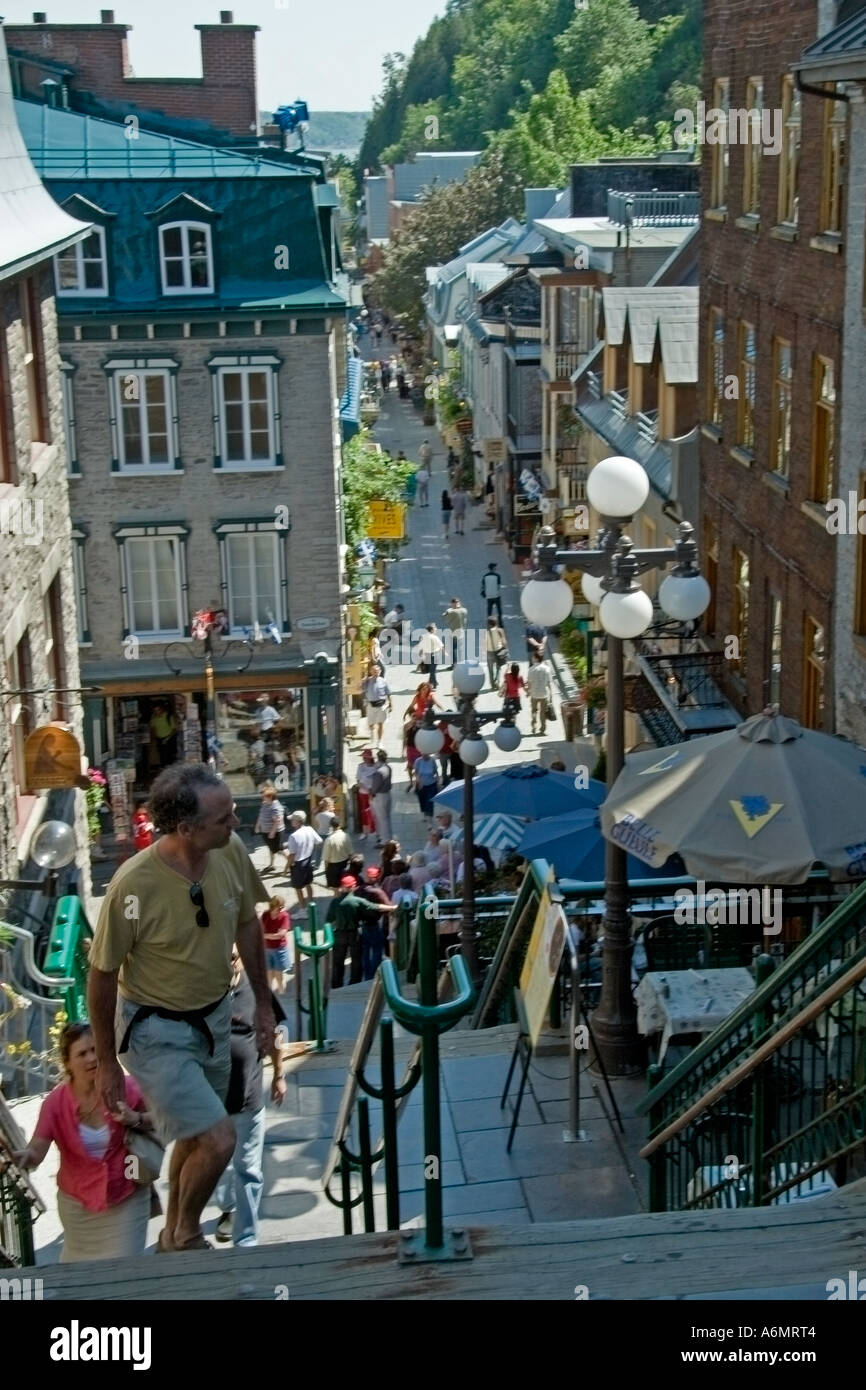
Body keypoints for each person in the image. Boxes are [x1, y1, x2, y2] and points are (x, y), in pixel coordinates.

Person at [87, 762, 272, 1254]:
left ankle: (170, 1234)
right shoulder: (132, 886)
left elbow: (249, 925)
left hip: (213, 1018)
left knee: (193, 1138)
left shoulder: (231, 854)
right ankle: (188, 1235)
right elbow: (102, 974)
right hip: (155, 1032)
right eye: (223, 818)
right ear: (185, 829)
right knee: (218, 1138)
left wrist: (265, 1008)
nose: (235, 825)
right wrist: (106, 1062)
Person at [12, 1022, 153, 1263]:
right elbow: (38, 1147)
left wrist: (136, 1118)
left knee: (123, 1272)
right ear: (67, 1062)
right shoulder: (55, 1104)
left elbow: (162, 1119)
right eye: (82, 1053)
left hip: (127, 1195)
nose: (91, 1059)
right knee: (81, 1273)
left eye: (95, 1050)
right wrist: (26, 1157)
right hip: (78, 1206)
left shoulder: (126, 1087)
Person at [213, 948, 286, 1248]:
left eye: (233, 955)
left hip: (249, 1096)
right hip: (212, 1103)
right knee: (221, 1168)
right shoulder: (200, 991)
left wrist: (279, 1075)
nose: (229, 960)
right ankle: (227, 1208)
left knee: (248, 1169)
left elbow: (277, 1031)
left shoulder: (256, 989)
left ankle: (246, 1240)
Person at [327, 877, 378, 988]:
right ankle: (355, 983)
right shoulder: (357, 901)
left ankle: (336, 985)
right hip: (354, 934)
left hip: (339, 934)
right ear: (353, 887)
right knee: (356, 960)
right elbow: (375, 907)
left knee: (338, 961)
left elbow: (329, 919)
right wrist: (392, 907)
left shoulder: (335, 902)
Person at [355, 865, 398, 979]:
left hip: (362, 925)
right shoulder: (378, 892)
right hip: (374, 925)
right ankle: (374, 975)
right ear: (378, 877)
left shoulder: (359, 889)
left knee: (365, 951)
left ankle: (367, 974)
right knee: (377, 951)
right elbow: (389, 907)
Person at [284, 810, 322, 916]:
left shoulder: (293, 836)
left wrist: (286, 868)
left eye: (293, 819)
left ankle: (302, 910)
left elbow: (292, 855)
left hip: (298, 864)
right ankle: (311, 903)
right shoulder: (309, 829)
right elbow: (319, 842)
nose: (291, 821)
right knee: (308, 884)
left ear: (297, 821)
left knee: (298, 888)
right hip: (308, 860)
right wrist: (310, 849)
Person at [260, 895, 291, 993]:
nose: (282, 909)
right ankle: (270, 994)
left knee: (278, 975)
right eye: (280, 907)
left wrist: (265, 935)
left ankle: (281, 992)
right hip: (267, 949)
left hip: (279, 949)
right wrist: (270, 935)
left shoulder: (284, 916)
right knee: (269, 973)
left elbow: (281, 935)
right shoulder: (265, 915)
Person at [254, 784, 286, 874]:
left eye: (264, 796)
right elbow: (260, 816)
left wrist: (272, 832)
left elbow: (277, 821)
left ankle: (292, 864)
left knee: (279, 850)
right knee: (271, 848)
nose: (262, 797)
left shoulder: (275, 806)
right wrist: (257, 826)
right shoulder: (265, 804)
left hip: (275, 832)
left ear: (270, 796)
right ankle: (271, 865)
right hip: (266, 831)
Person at [362, 662, 392, 748]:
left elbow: (388, 693)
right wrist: (362, 681)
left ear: (380, 672)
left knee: (380, 723)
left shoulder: (383, 681)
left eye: (377, 671)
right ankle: (372, 732)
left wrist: (391, 704)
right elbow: (359, 689)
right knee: (371, 724)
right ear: (371, 672)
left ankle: (379, 741)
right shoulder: (367, 681)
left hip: (381, 705)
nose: (375, 673)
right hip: (371, 705)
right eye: (374, 671)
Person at [322, 814, 353, 888]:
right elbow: (351, 853)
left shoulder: (329, 840)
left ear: (331, 826)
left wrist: (326, 870)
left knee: (336, 889)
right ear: (339, 824)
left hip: (333, 867)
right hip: (344, 864)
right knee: (344, 886)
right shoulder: (346, 836)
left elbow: (326, 859)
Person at [526, 654, 554, 735]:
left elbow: (529, 683)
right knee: (543, 712)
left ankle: (534, 724)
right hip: (544, 693)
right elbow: (549, 683)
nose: (532, 658)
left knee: (534, 710)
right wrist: (551, 694)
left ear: (536, 658)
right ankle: (542, 728)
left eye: (533, 657)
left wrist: (528, 692)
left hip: (534, 693)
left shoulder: (531, 669)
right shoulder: (547, 669)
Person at [370, 749, 393, 845]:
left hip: (379, 796)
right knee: (386, 817)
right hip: (387, 794)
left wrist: (372, 794)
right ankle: (388, 836)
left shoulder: (379, 772)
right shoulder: (388, 768)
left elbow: (375, 786)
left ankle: (384, 840)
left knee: (381, 818)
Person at [355, 747, 378, 838]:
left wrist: (372, 791)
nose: (364, 758)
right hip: (363, 793)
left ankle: (376, 830)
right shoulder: (360, 766)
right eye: (363, 756)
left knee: (375, 811)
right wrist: (367, 790)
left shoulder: (375, 767)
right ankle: (365, 832)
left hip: (374, 793)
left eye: (366, 756)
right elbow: (358, 780)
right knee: (364, 812)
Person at [149, 700, 179, 767]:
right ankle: (164, 769)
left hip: (168, 739)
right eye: (155, 711)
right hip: (159, 739)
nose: (156, 712)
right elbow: (153, 728)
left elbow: (174, 729)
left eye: (158, 710)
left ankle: (169, 770)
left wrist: (167, 738)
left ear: (162, 709)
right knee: (161, 756)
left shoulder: (168, 716)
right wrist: (153, 739)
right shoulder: (153, 717)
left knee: (169, 757)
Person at [413, 750, 439, 822]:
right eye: (423, 753)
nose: (424, 755)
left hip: (431, 784)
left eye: (426, 754)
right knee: (422, 800)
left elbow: (435, 772)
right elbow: (416, 772)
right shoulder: (418, 761)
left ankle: (430, 817)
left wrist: (438, 782)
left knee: (430, 801)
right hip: (421, 785)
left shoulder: (432, 761)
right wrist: (418, 780)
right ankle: (424, 813)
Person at [441, 597, 468, 667]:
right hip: (462, 632)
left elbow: (446, 618)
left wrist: (448, 611)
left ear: (452, 604)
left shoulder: (451, 612)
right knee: (461, 649)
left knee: (453, 649)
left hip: (454, 633)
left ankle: (454, 665)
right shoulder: (464, 610)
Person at [416, 624, 444, 688]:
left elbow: (422, 646)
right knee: (432, 671)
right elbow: (441, 645)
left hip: (428, 656)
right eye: (435, 628)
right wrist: (444, 652)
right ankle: (432, 684)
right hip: (435, 656)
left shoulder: (424, 637)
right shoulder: (435, 637)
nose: (436, 629)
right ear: (431, 630)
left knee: (432, 670)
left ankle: (434, 682)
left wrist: (421, 653)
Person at [485, 616, 508, 690]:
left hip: (489, 652)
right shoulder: (500, 630)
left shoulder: (486, 632)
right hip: (498, 651)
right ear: (496, 623)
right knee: (498, 667)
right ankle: (497, 681)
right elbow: (504, 641)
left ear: (489, 624)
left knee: (490, 669)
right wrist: (506, 649)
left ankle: (492, 684)